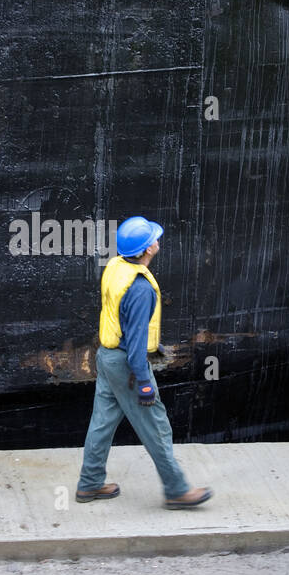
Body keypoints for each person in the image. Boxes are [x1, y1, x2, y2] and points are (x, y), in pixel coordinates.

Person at [75, 216, 213, 509]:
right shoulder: (141, 290)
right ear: (146, 249)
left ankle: (89, 484)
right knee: (156, 427)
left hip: (107, 356)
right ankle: (177, 490)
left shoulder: (115, 267)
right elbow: (136, 344)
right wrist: (144, 383)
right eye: (153, 238)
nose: (157, 240)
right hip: (127, 365)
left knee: (102, 422)